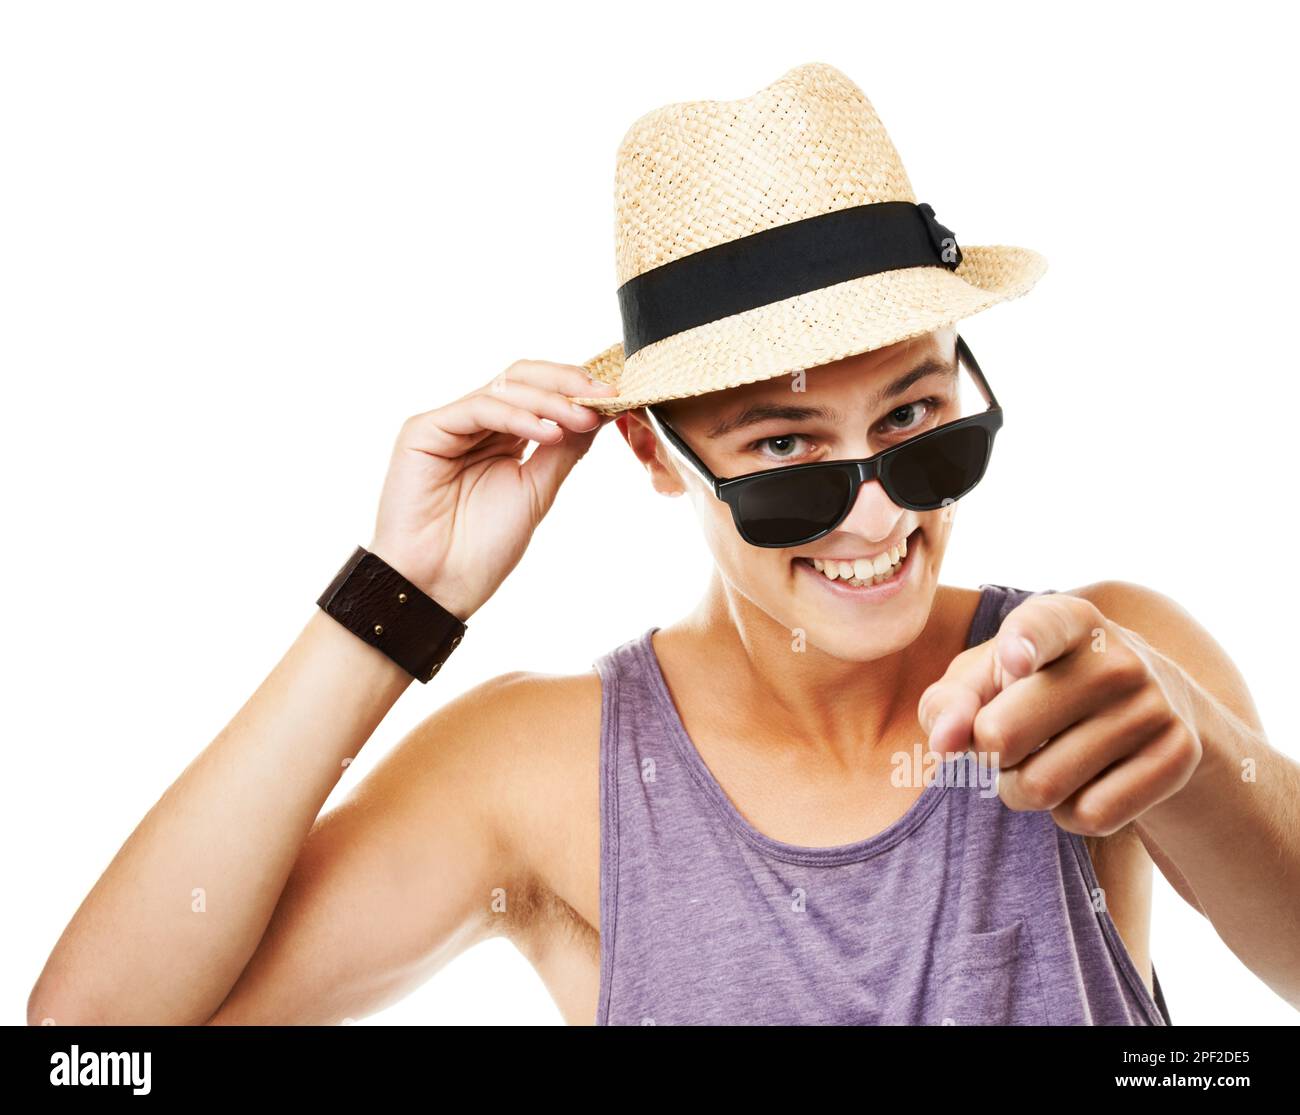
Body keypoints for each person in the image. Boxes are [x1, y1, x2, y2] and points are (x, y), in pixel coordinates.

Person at [28, 62, 1300, 1027]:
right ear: (653, 452)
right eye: (787, 452)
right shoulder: (542, 771)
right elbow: (90, 1042)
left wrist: (1193, 758)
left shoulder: (1106, 663)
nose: (878, 516)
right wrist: (396, 599)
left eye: (916, 422)